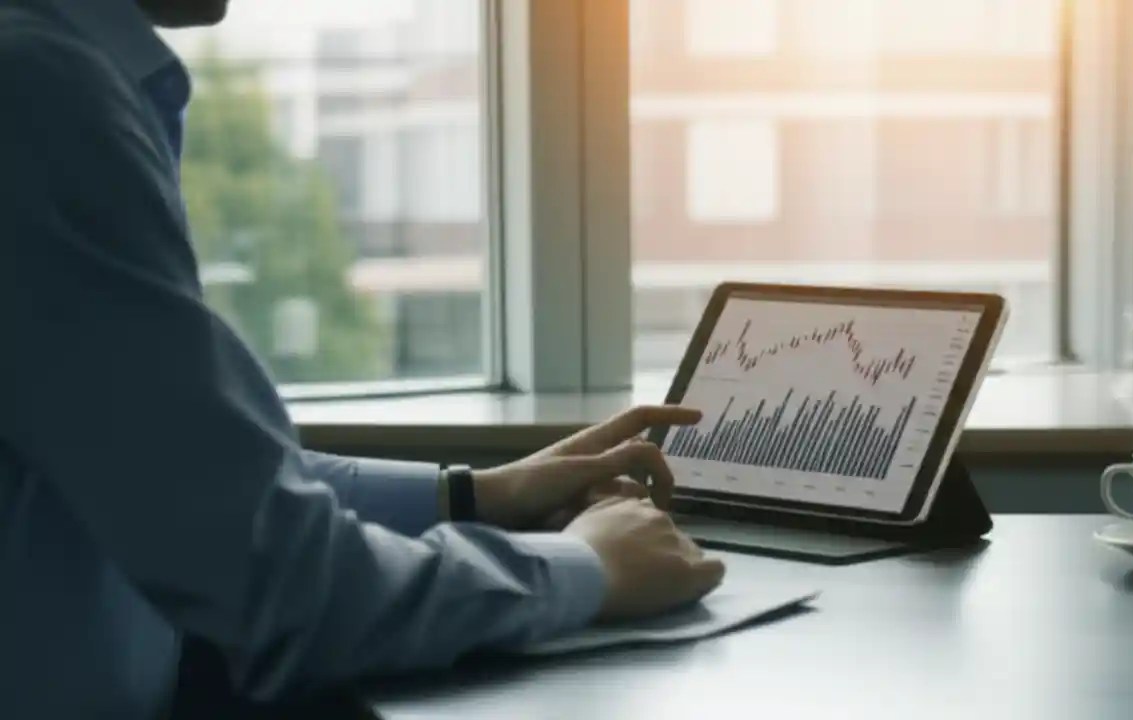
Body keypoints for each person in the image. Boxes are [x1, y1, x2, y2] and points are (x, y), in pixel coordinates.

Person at [0, 0, 726, 716]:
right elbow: (281, 582)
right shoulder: (38, 95)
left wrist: (479, 494)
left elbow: (189, 475)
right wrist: (588, 569)